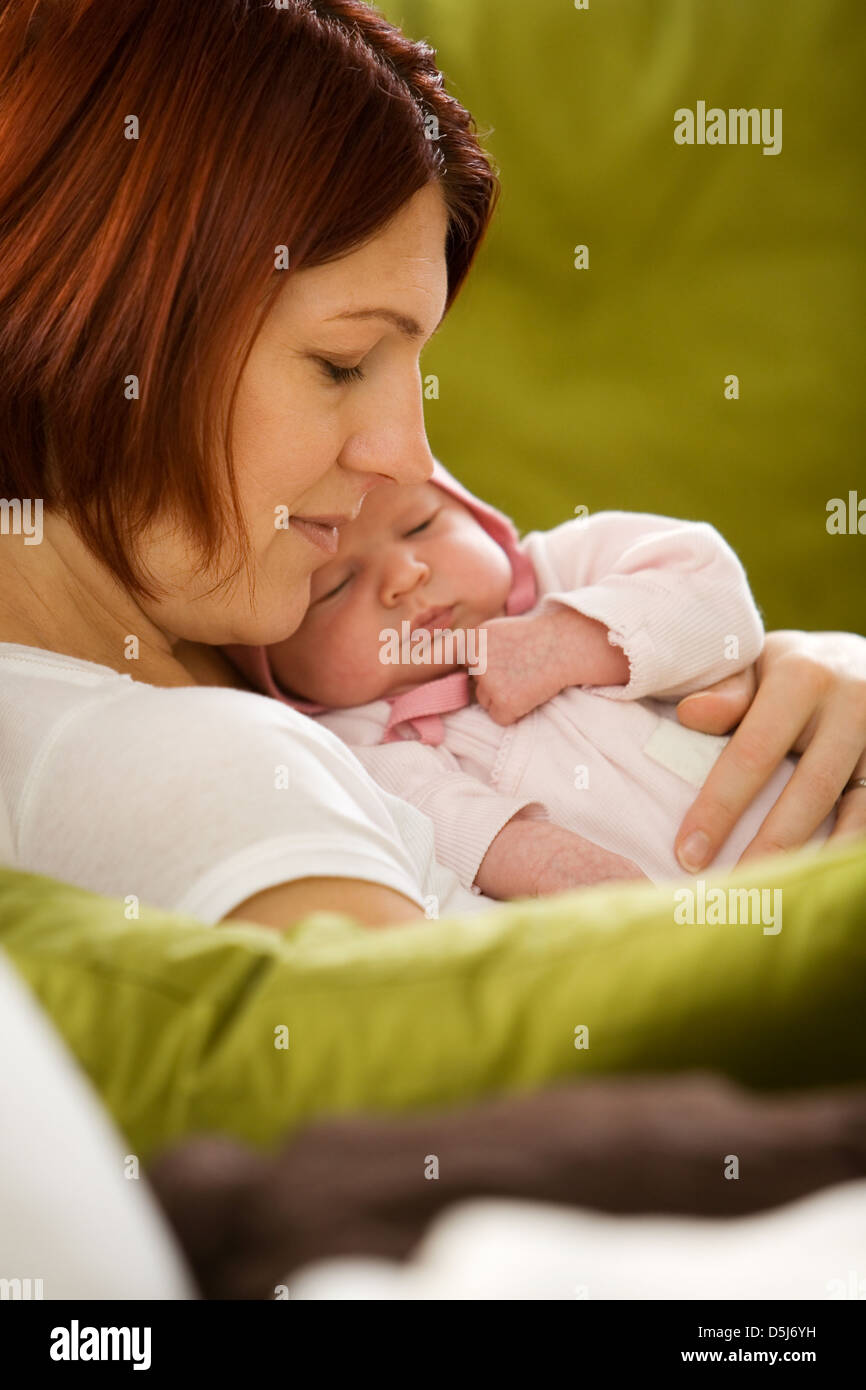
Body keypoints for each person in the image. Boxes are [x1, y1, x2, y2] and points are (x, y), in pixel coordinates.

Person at [0, 1, 863, 935]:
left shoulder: (211, 633)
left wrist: (805, 675)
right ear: (105, 319)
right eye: (341, 363)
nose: (410, 461)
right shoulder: (194, 770)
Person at [223, 463, 838, 895]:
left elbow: (713, 590)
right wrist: (545, 864)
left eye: (420, 527)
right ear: (279, 673)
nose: (405, 573)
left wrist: (570, 638)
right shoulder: (361, 745)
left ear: (483, 523)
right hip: (685, 930)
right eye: (335, 586)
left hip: (837, 827)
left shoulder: (565, 572)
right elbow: (428, 818)